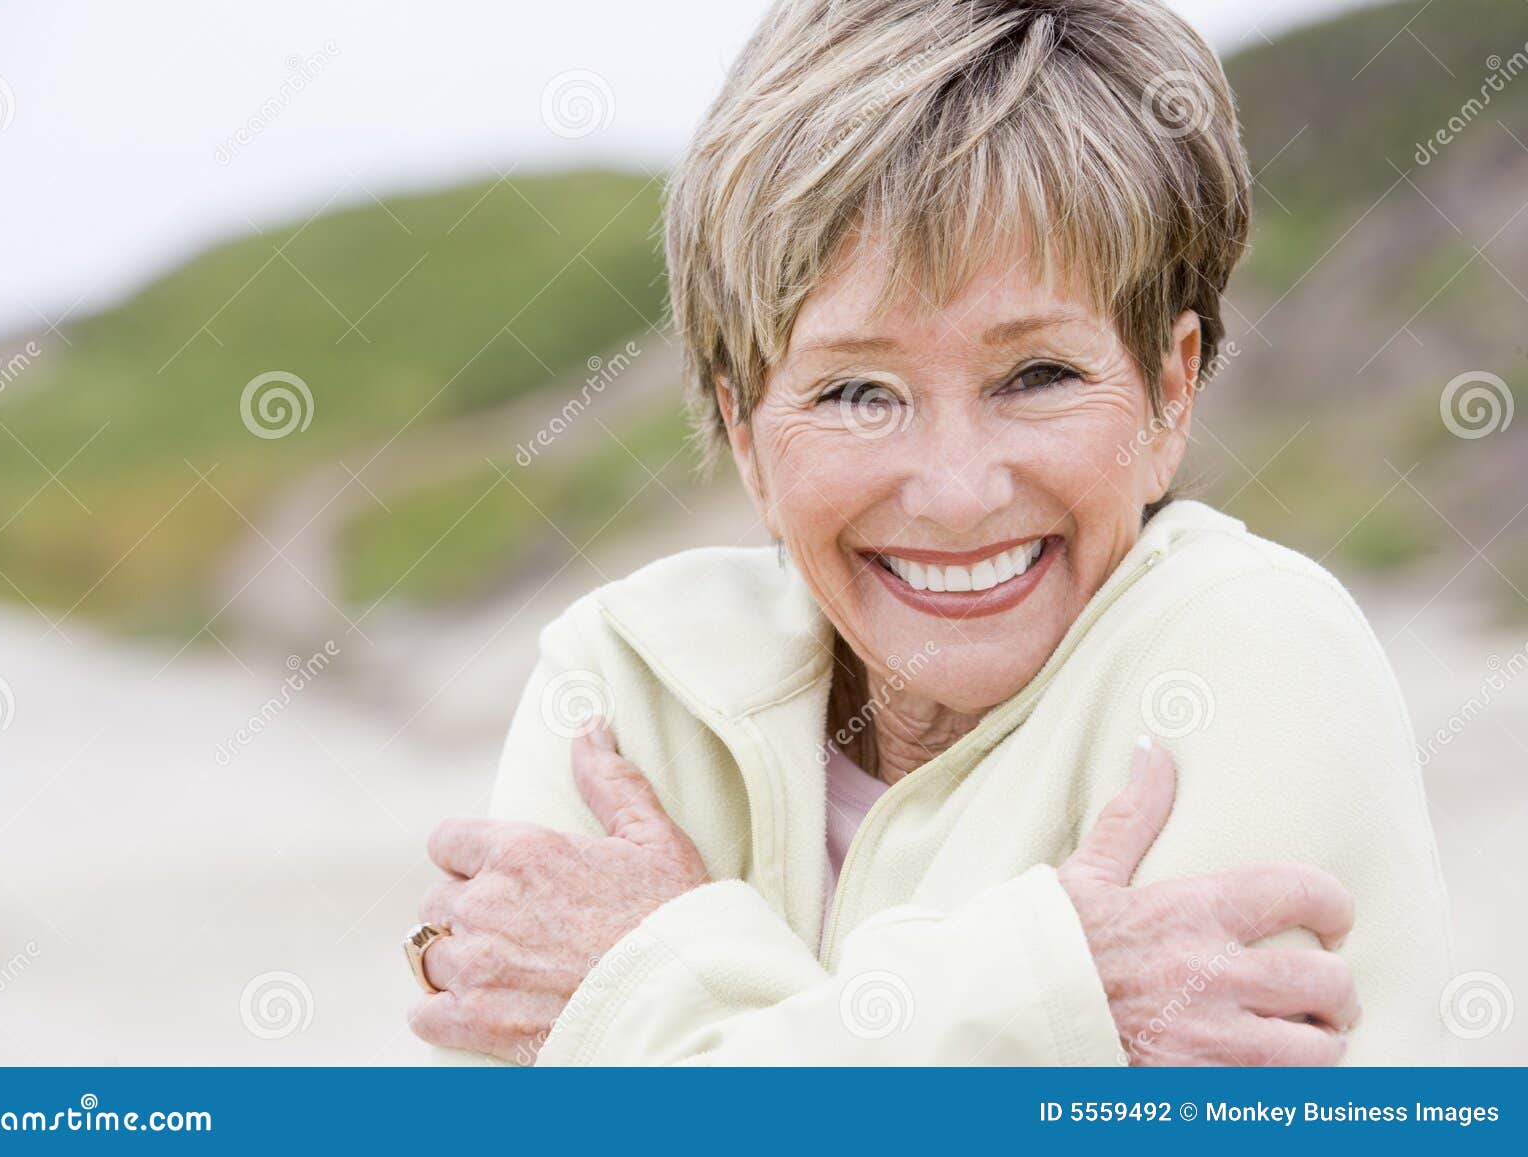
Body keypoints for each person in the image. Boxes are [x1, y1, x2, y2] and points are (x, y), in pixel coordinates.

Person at [406, 0, 1452, 1065]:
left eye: (1036, 374)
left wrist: (648, 989)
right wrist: (1053, 1006)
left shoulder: (1256, 647)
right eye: (858, 391)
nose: (956, 492)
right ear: (745, 434)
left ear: (1168, 393)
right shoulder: (630, 684)